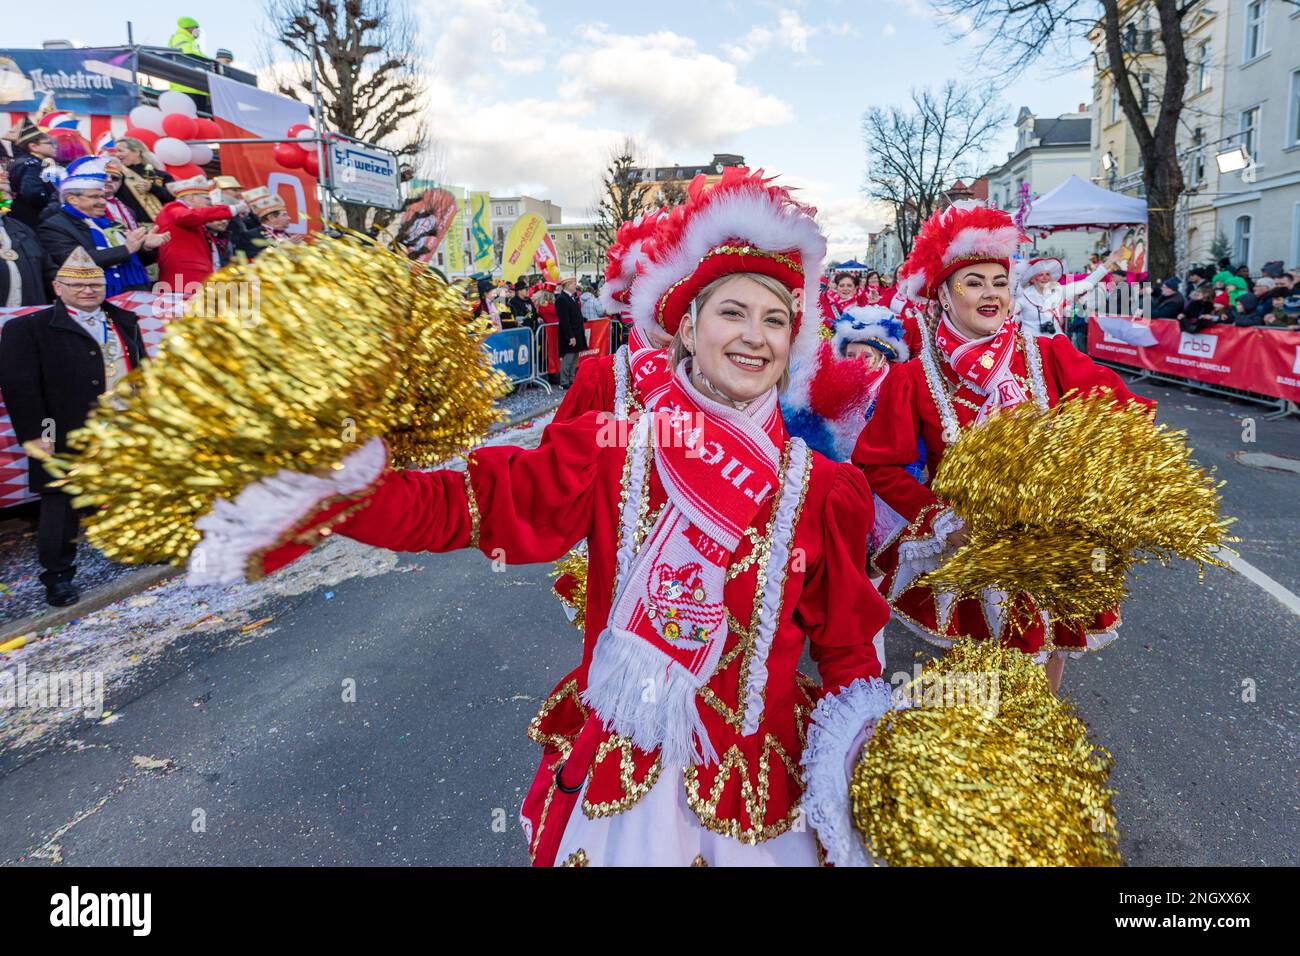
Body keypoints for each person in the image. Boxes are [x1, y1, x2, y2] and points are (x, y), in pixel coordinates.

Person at [185, 168, 888, 867]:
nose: (755, 337)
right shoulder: (612, 450)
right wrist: (331, 479)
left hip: (763, 798)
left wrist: (874, 758)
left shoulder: (824, 490)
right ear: (689, 325)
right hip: (629, 787)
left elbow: (848, 649)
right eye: (732, 312)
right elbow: (463, 509)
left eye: (775, 320)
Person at [852, 200, 1156, 695]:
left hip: (1049, 539)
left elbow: (1123, 413)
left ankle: (1043, 734)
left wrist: (1096, 479)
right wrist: (941, 523)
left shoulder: (1048, 354)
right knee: (980, 678)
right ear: (945, 297)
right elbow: (876, 464)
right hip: (970, 549)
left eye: (998, 282)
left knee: (1046, 660)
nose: (990, 293)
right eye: (973, 283)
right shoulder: (914, 379)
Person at [0, 248, 147, 607]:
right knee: (61, 503)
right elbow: (20, 386)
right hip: (61, 428)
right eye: (76, 285)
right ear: (57, 287)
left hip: (123, 424)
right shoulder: (27, 328)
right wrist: (39, 436)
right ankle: (57, 578)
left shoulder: (124, 319)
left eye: (94, 283)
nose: (88, 290)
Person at [38, 157, 168, 298]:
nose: (103, 202)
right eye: (94, 197)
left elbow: (133, 259)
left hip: (134, 295)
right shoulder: (54, 227)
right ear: (72, 199)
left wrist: (147, 248)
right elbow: (76, 263)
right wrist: (126, 249)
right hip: (93, 298)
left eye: (102, 197)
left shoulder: (112, 223)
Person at [154, 175, 246, 294]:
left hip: (194, 280)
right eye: (207, 199)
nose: (210, 203)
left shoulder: (191, 217)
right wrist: (232, 209)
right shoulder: (173, 208)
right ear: (192, 198)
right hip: (184, 279)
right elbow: (190, 216)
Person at [1016, 252, 1120, 337]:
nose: (1045, 277)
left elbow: (1087, 283)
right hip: (1031, 348)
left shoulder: (1059, 291)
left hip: (1055, 345)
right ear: (1033, 279)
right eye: (1040, 275)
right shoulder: (1023, 297)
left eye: (1047, 274)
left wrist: (1109, 262)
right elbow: (1008, 315)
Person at [0, 167, 52, 306]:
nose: (7, 198)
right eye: (1, 192)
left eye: (9, 193)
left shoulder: (22, 229)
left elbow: (48, 270)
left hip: (25, 319)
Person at [5, 119, 59, 229]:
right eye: (50, 143)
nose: (55, 147)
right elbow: (34, 194)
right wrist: (52, 204)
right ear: (34, 147)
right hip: (31, 220)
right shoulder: (31, 165)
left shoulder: (26, 162)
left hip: (20, 219)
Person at [112, 137, 173, 224]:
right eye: (116, 152)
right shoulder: (116, 176)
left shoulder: (161, 175)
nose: (117, 155)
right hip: (130, 227)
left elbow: (173, 198)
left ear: (136, 152)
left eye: (120, 151)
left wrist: (153, 188)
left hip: (160, 226)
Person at [555, 274, 586, 387]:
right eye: (573, 284)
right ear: (567, 285)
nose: (575, 286)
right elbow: (564, 320)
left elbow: (575, 314)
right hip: (570, 335)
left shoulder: (571, 298)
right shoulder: (561, 299)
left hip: (577, 333)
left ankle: (572, 379)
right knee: (568, 359)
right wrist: (570, 336)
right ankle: (564, 381)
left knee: (574, 359)